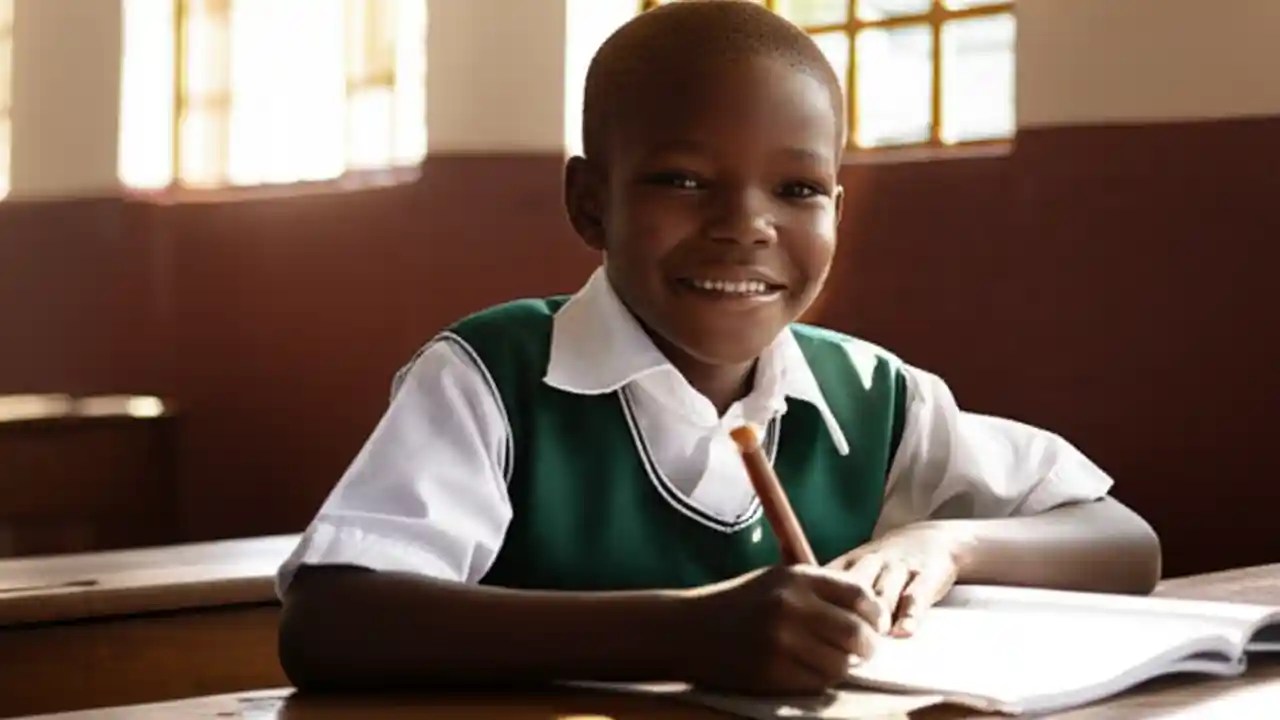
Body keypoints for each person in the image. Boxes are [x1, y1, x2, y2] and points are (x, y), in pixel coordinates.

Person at [277, 0, 1160, 696]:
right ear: (590, 203)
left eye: (797, 188)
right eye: (684, 180)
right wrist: (688, 631)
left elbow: (1122, 541)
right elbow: (331, 621)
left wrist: (946, 544)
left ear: (837, 212)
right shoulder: (494, 377)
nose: (745, 225)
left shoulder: (872, 396)